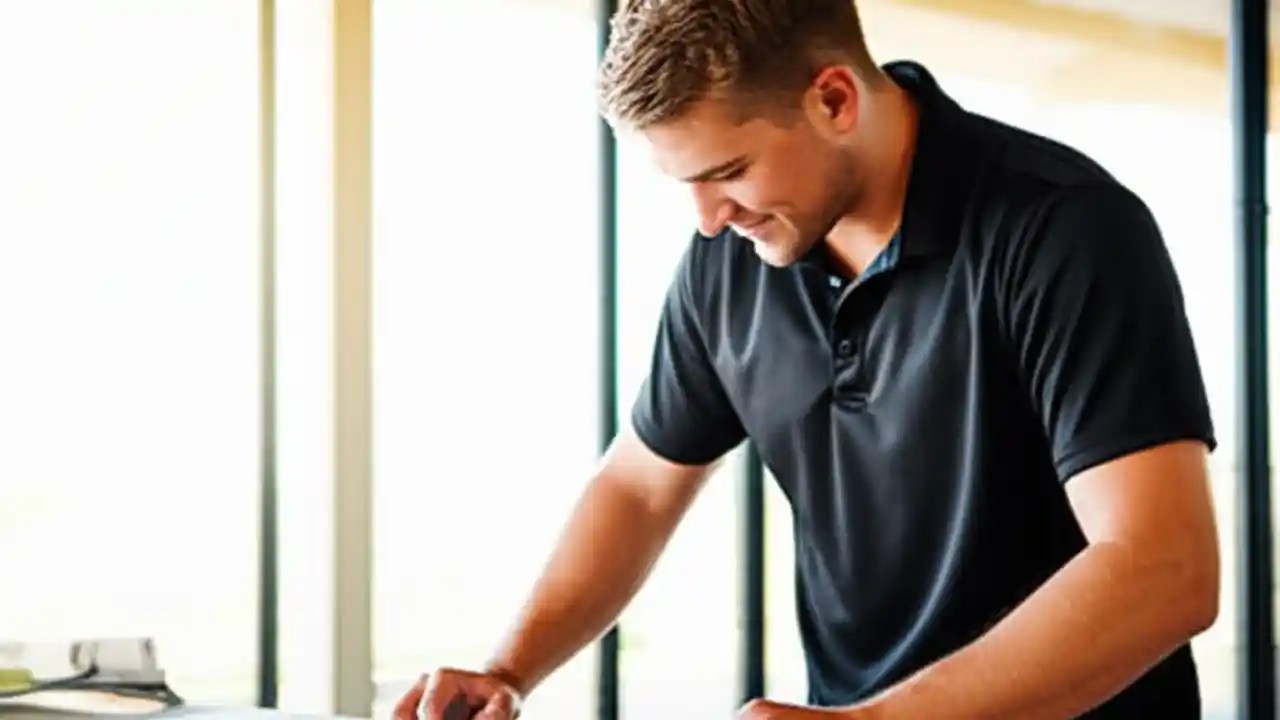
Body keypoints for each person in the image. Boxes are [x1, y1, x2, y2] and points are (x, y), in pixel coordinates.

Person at [395, 1, 1222, 718]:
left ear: (834, 99)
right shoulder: (731, 261)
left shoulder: (1064, 230)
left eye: (730, 171)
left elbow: (1164, 570)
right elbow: (639, 487)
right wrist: (509, 670)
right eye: (686, 184)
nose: (710, 219)